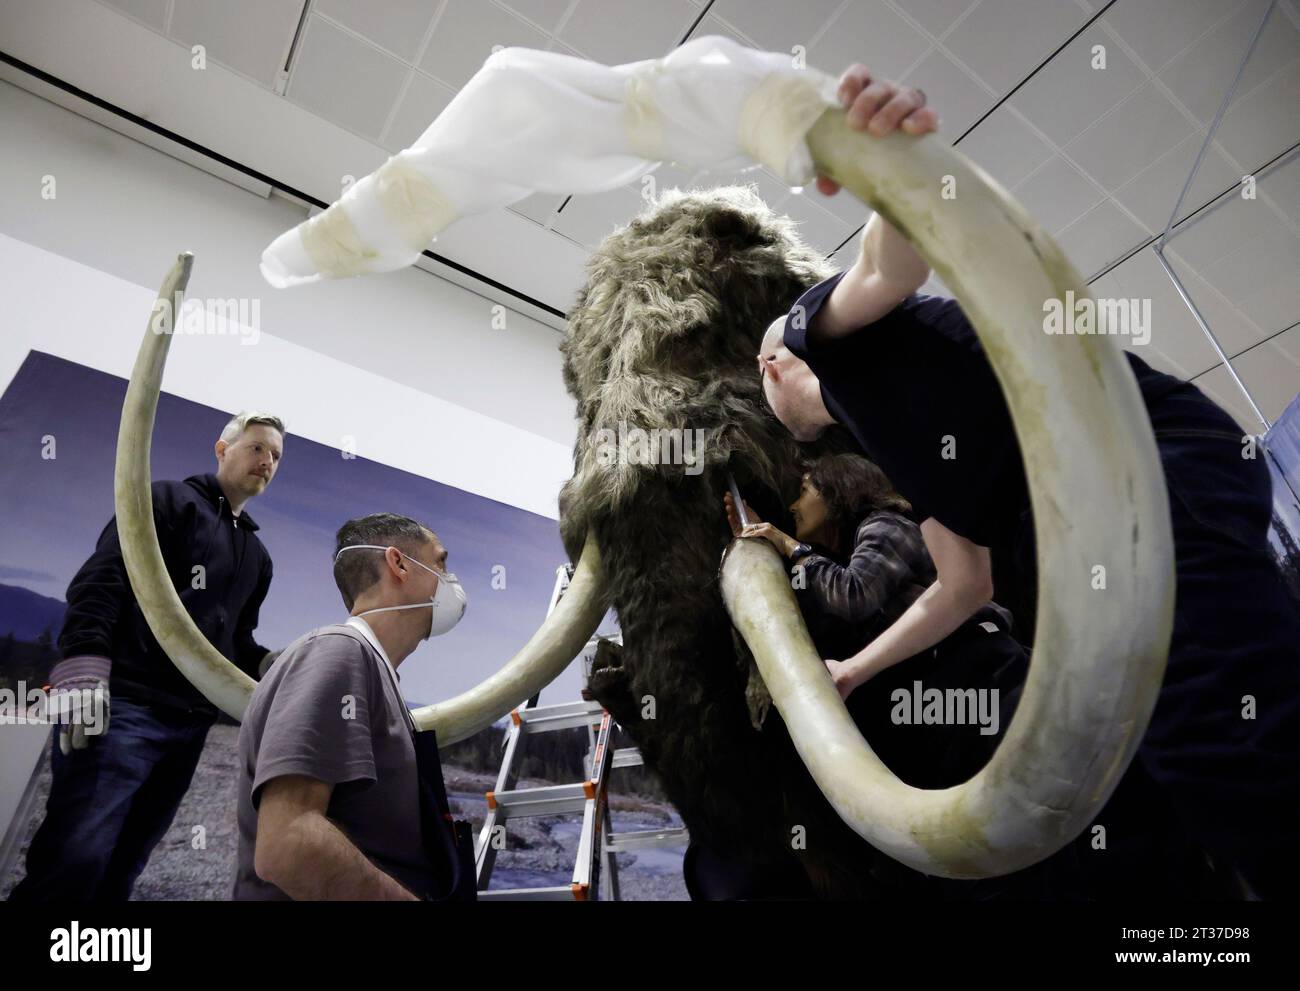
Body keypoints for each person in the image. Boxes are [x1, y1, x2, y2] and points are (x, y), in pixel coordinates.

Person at [757, 63, 1300, 898]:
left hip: (1135, 470)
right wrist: (855, 671)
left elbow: (888, 266)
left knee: (1226, 735)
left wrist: (883, 162)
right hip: (1071, 526)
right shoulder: (896, 441)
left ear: (773, 365)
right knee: (1176, 755)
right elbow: (963, 583)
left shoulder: (826, 343)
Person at [11, 412, 284, 902]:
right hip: (123, 708)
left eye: (276, 456)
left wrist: (272, 667)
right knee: (75, 859)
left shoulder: (258, 556)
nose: (267, 461)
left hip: (189, 725)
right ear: (222, 450)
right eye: (257, 447)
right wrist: (85, 669)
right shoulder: (165, 500)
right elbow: (103, 580)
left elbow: (236, 642)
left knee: (125, 863)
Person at [724, 453, 1027, 789]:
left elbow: (854, 595)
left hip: (986, 673)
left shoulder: (886, 525)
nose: (794, 506)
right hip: (941, 686)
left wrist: (789, 545)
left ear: (837, 491)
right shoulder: (845, 556)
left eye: (804, 490)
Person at [232, 513, 474, 901]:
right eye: (440, 562)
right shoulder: (338, 652)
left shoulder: (371, 670)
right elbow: (288, 844)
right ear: (398, 564)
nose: (452, 580)